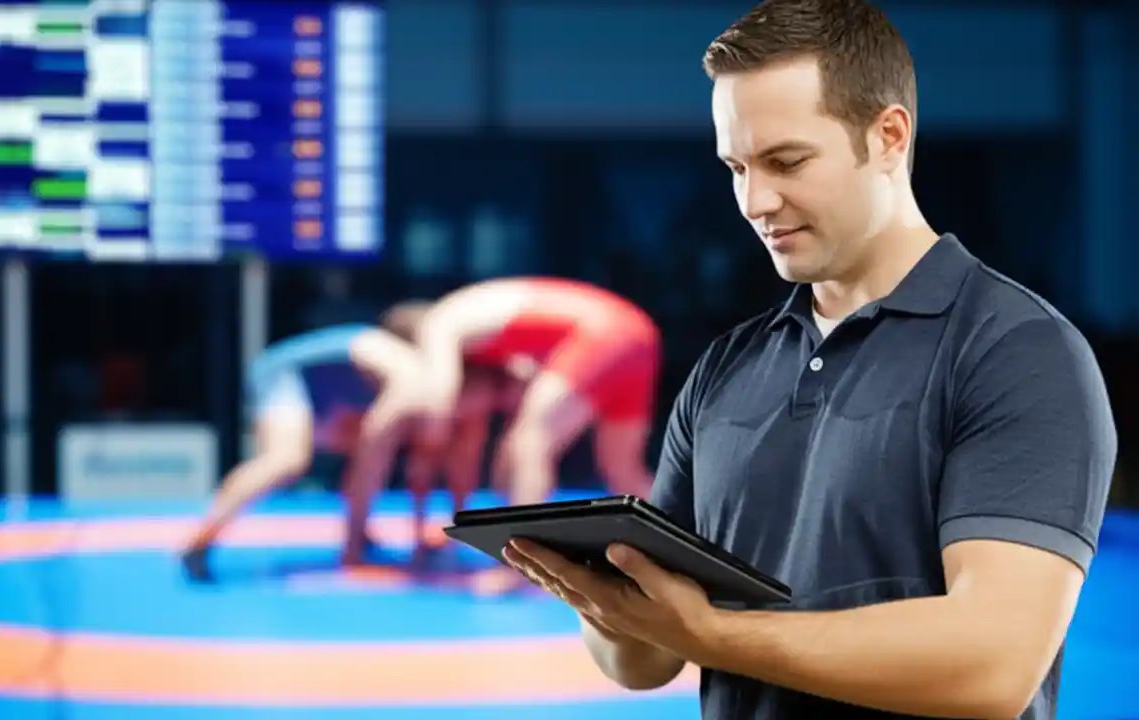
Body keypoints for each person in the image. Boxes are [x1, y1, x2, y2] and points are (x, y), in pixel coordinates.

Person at [502, 1, 1117, 719]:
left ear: (888, 136)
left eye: (786, 161)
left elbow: (993, 666)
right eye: (736, 166)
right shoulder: (726, 370)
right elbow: (643, 661)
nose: (756, 200)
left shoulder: (1018, 352)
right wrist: (601, 600)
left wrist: (718, 636)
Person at [381, 277, 663, 592]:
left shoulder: (437, 324)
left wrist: (421, 442)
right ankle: (685, 555)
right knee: (622, 468)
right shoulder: (478, 321)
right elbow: (526, 374)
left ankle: (521, 568)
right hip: (636, 332)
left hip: (602, 334)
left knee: (532, 440)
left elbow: (439, 397)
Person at [179, 323, 491, 581]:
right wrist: (351, 555)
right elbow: (376, 459)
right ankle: (202, 539)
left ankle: (360, 534)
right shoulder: (411, 374)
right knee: (286, 460)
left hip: (320, 391)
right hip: (284, 375)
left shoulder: (411, 374)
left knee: (370, 446)